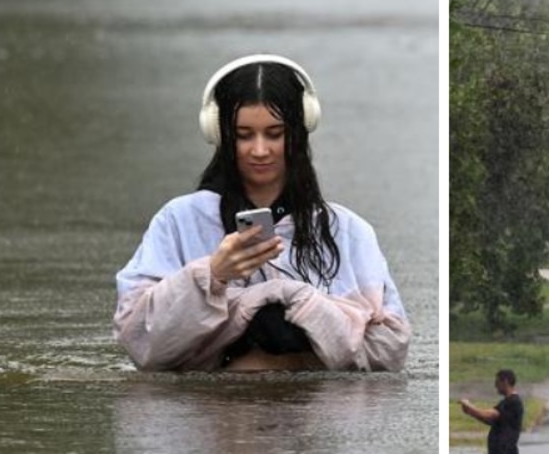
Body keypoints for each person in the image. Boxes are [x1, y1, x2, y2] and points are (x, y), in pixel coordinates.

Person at [113, 53, 411, 372]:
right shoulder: (178, 221)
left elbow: (391, 348)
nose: (259, 150)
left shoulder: (348, 231)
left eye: (275, 133)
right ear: (219, 134)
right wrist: (212, 275)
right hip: (214, 404)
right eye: (243, 135)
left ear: (299, 131)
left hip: (316, 403)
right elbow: (139, 340)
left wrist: (303, 306)